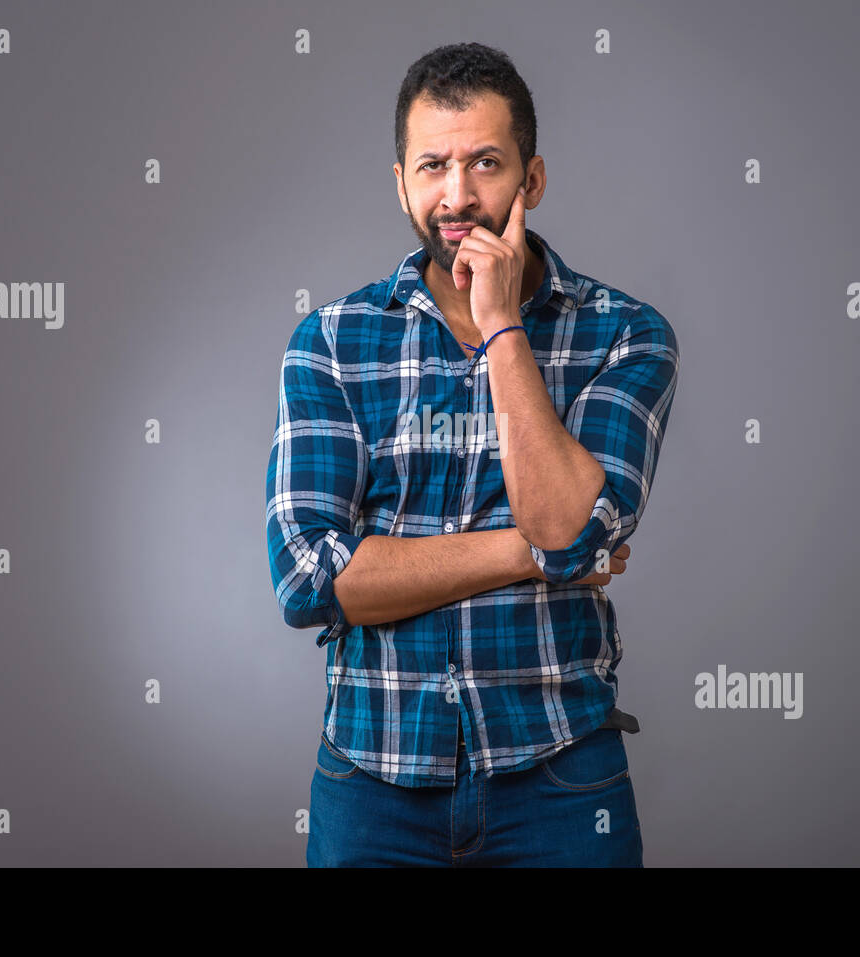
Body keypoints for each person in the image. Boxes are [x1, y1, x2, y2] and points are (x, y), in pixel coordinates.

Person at [265, 42, 679, 866]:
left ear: (532, 180)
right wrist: (531, 554)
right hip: (370, 781)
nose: (457, 195)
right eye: (432, 167)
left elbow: (569, 522)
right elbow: (310, 578)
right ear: (400, 182)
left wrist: (501, 327)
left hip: (561, 776)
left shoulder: (625, 334)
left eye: (486, 163)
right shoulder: (333, 342)